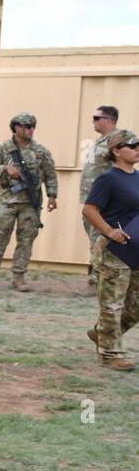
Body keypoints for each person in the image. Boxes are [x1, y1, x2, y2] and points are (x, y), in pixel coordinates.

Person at [82, 128, 139, 371]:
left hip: (136, 249)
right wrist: (109, 231)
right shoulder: (108, 179)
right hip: (114, 251)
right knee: (112, 305)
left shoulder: (137, 178)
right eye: (132, 145)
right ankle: (110, 354)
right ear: (116, 151)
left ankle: (101, 333)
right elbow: (89, 209)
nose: (137, 148)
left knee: (135, 306)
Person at [0, 112, 58, 292]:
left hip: (30, 203)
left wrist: (52, 195)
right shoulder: (3, 148)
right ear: (16, 127)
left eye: (33, 126)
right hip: (7, 202)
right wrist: (5, 169)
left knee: (26, 240)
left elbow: (50, 174)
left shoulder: (41, 151)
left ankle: (19, 277)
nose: (30, 130)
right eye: (27, 126)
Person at [81, 105, 118, 289]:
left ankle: (99, 279)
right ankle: (97, 276)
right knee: (94, 238)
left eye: (97, 117)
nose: (93, 121)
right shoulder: (100, 141)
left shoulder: (117, 140)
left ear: (109, 120)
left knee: (100, 238)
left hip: (104, 202)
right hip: (92, 200)